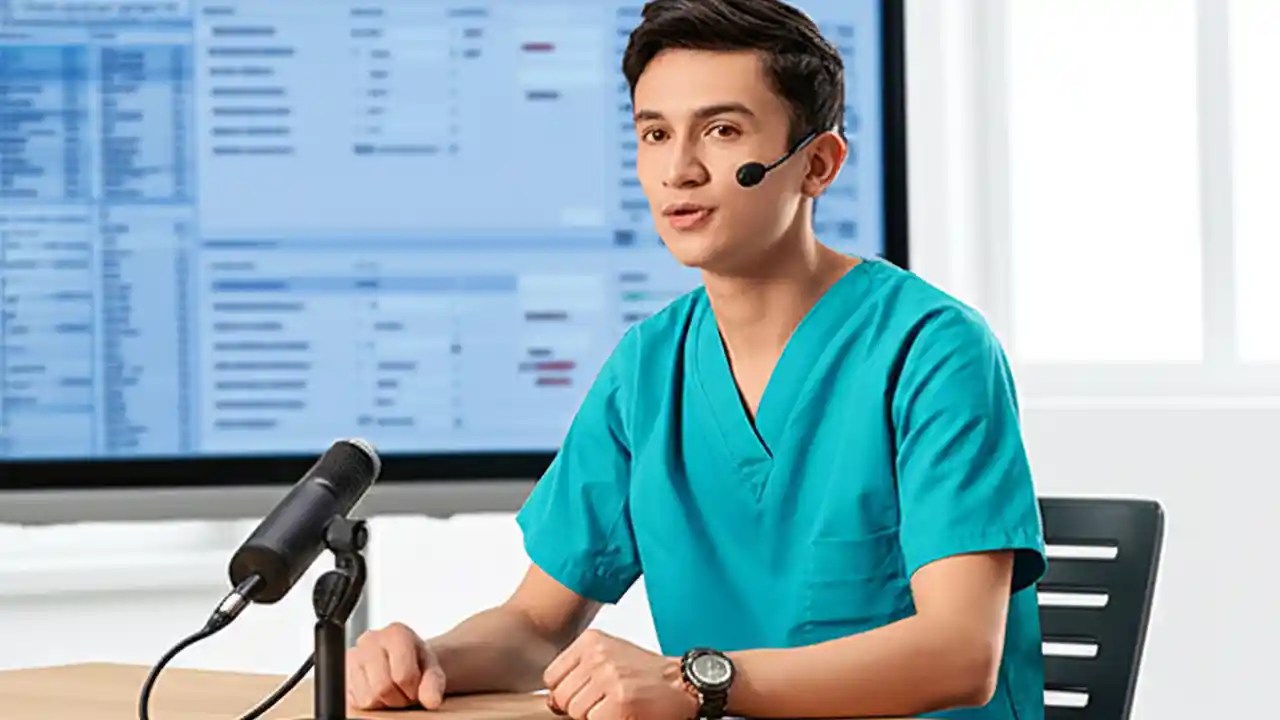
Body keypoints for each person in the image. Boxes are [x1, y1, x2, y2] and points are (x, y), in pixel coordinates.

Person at [346, 1, 1046, 718]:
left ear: (817, 164)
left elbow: (961, 654)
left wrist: (697, 681)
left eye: (720, 130)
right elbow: (536, 626)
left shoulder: (934, 350)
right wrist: (429, 658)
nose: (678, 170)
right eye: (655, 134)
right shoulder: (647, 367)